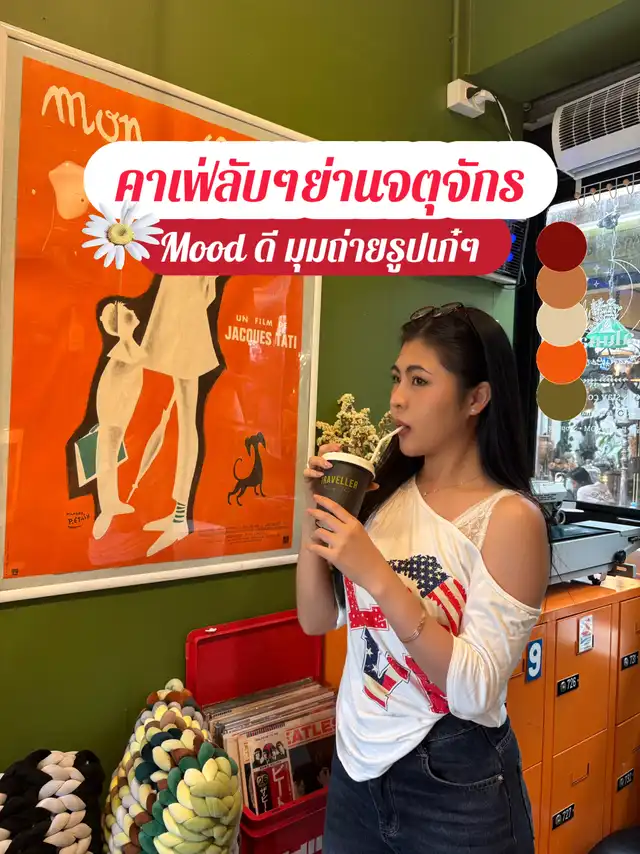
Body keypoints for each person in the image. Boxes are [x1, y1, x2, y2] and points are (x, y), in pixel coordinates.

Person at [296, 303, 550, 853]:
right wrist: (317, 510)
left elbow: (475, 692)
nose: (396, 399)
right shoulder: (384, 499)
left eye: (419, 380)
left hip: (455, 785)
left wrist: (378, 574)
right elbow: (316, 618)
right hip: (356, 771)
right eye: (396, 378)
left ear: (476, 399)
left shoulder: (509, 519)